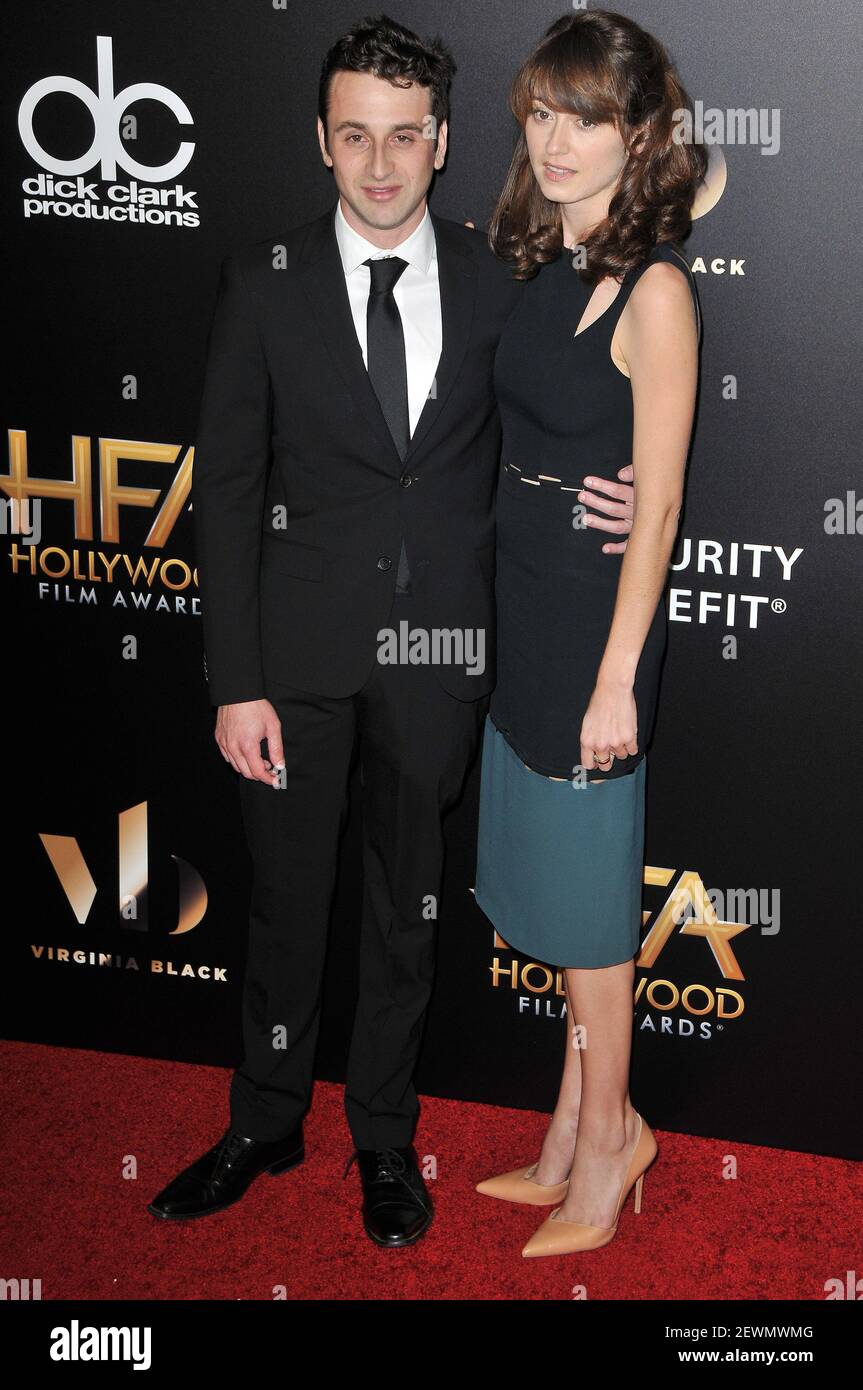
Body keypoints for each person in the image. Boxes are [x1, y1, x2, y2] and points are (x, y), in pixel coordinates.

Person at [147, 13, 635, 1248]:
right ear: (321, 139)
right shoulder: (260, 282)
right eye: (355, 135)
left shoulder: (498, 279)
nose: (378, 164)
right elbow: (226, 489)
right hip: (293, 667)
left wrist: (620, 491)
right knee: (283, 903)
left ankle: (380, 1135)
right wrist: (234, 680)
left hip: (439, 666)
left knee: (403, 911)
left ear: (442, 142)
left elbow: (568, 412)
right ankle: (263, 1119)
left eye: (404, 137)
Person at [474, 8, 704, 1257]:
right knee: (561, 917)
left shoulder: (659, 289)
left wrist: (617, 678)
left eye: (588, 120)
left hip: (591, 645)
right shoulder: (547, 267)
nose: (556, 142)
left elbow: (657, 501)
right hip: (524, 609)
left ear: (639, 136)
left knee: (596, 937)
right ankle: (568, 1122)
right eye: (543, 115)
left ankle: (614, 1141)